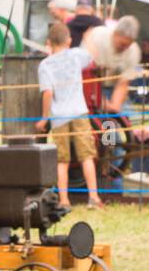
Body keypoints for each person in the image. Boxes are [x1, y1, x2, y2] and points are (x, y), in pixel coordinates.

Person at [35, 21, 102, 211]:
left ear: (49, 42)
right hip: (79, 112)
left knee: (62, 160)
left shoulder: (45, 65)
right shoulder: (76, 55)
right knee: (86, 156)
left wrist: (44, 118)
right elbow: (91, 54)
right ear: (69, 40)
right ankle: (93, 197)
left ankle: (64, 200)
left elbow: (47, 93)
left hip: (59, 117)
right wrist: (88, 37)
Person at [82, 15, 142, 113]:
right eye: (122, 44)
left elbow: (123, 82)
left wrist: (114, 106)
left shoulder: (134, 51)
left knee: (126, 116)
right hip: (89, 87)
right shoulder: (97, 37)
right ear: (115, 33)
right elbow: (86, 75)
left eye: (129, 44)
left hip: (113, 89)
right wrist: (101, 101)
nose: (125, 48)